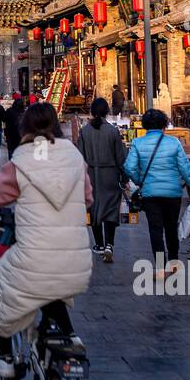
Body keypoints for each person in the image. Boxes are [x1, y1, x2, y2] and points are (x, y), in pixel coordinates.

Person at [0, 103, 93, 378]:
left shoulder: (22, 161)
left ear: (24, 126)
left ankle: (5, 355)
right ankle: (71, 338)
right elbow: (88, 198)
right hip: (77, 262)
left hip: (34, 257)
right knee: (53, 291)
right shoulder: (74, 156)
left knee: (0, 285)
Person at [123, 108, 190, 277]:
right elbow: (186, 170)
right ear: (164, 124)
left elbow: (129, 167)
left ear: (144, 125)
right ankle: (174, 264)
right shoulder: (174, 143)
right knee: (171, 228)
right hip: (173, 194)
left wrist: (139, 181)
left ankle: (160, 268)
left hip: (150, 194)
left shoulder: (138, 143)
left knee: (155, 230)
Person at [77, 97, 128, 261]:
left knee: (94, 209)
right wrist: (125, 177)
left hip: (91, 175)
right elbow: (121, 157)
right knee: (111, 210)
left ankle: (99, 244)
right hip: (110, 175)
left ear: (92, 112)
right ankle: (109, 244)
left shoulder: (84, 131)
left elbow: (80, 157)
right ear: (107, 111)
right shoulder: (113, 131)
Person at [3, 93, 26, 159]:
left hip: (10, 133)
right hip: (21, 134)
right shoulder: (24, 112)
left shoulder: (9, 111)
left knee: (11, 150)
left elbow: (4, 119)